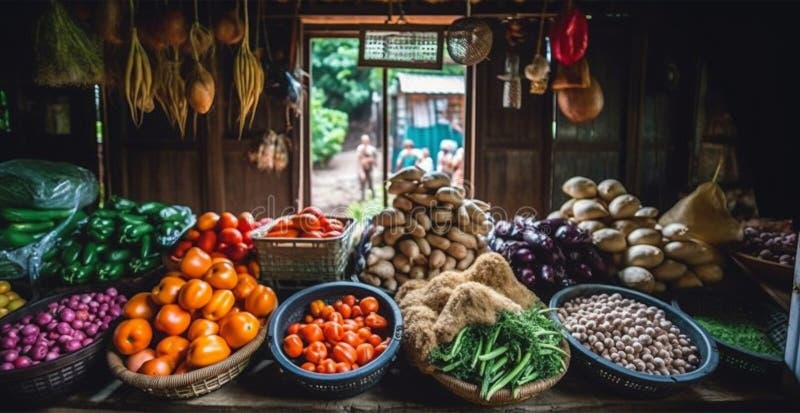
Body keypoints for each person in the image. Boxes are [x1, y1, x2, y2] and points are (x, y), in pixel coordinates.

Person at [356, 134, 378, 200]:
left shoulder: (372, 149)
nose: (365, 142)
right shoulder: (360, 148)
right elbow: (359, 160)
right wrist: (361, 171)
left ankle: (373, 198)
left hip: (369, 169)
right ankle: (362, 198)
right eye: (364, 140)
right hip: (363, 168)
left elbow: (375, 160)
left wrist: (368, 160)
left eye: (366, 140)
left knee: (371, 184)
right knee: (362, 184)